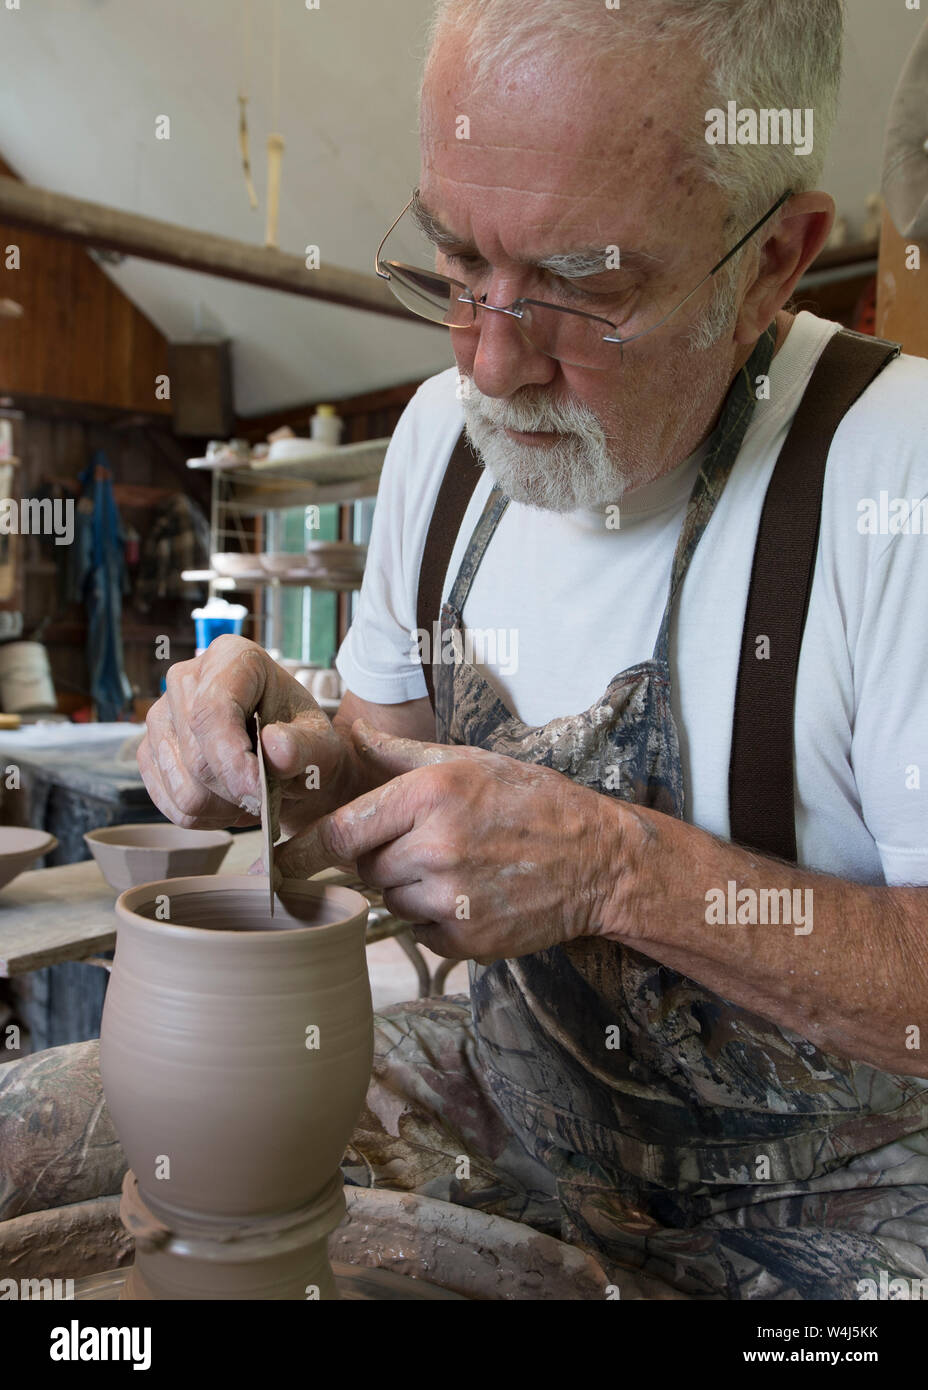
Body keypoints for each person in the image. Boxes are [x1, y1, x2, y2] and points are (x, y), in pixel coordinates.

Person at [3, 0, 928, 1300]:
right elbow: (396, 794)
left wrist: (621, 869)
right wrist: (289, 752)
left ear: (775, 260)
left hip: (829, 1202)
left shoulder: (896, 473)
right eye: (454, 264)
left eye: (583, 287)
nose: (492, 362)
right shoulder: (444, 443)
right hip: (506, 1086)